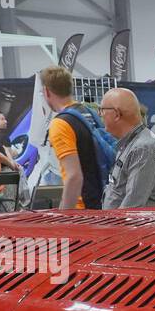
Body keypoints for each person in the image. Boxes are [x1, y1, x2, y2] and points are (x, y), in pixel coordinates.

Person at [99, 87, 155, 209]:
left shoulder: (143, 148)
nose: (100, 115)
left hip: (135, 226)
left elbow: (131, 208)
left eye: (102, 110)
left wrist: (112, 227)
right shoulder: (130, 144)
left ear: (117, 114)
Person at [40, 64, 105, 209]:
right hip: (103, 200)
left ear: (46, 91)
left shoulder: (60, 123)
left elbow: (74, 176)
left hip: (83, 208)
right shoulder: (89, 113)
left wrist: (65, 215)